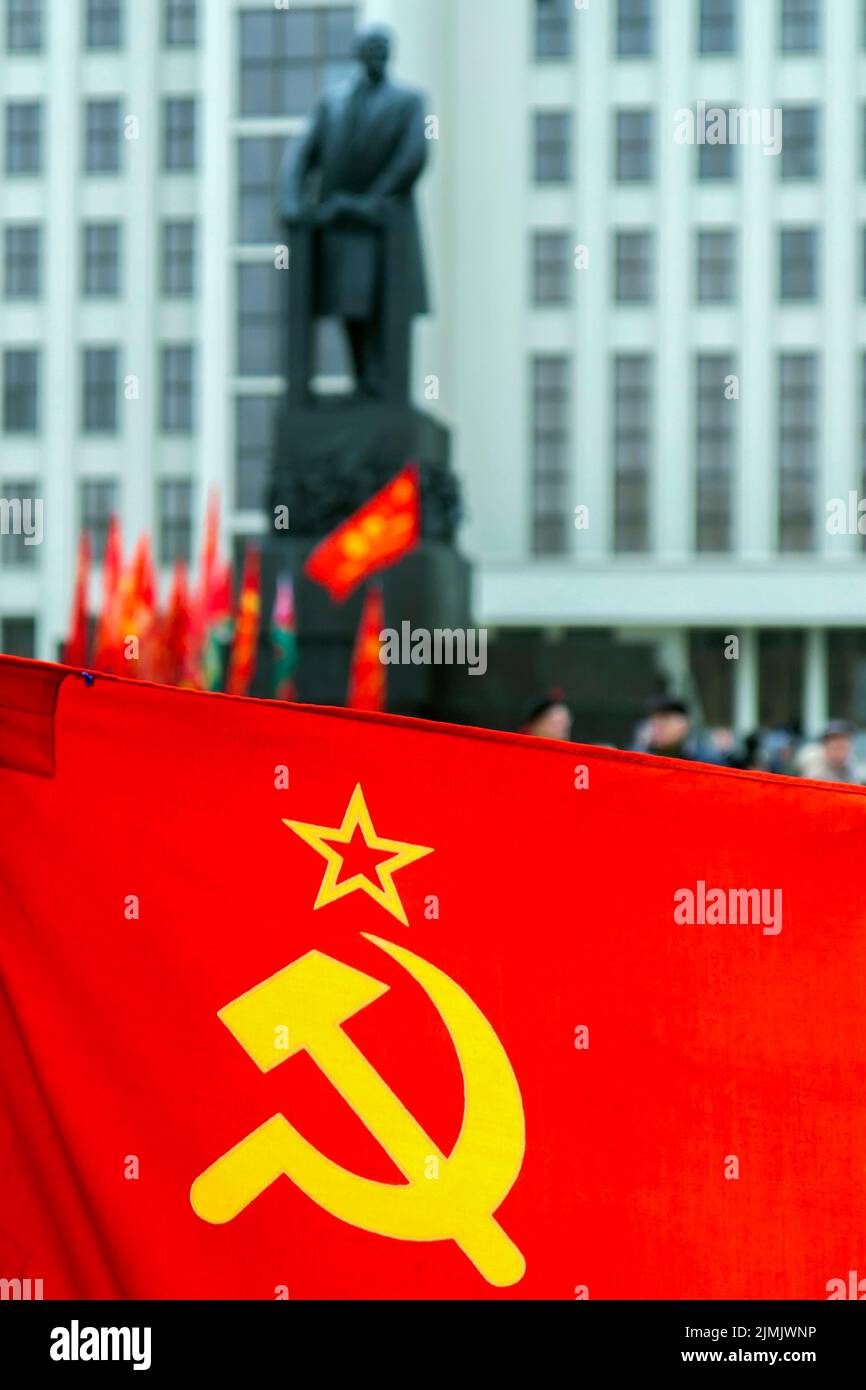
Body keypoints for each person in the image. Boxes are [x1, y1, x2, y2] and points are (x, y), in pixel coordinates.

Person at [632, 696, 725, 764]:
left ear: (685, 724)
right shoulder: (641, 755)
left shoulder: (708, 760)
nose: (656, 727)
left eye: (665, 719)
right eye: (653, 721)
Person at [795, 720, 863, 785]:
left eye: (845, 739)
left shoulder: (851, 764)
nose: (841, 743)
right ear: (825, 745)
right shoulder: (815, 768)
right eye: (835, 739)